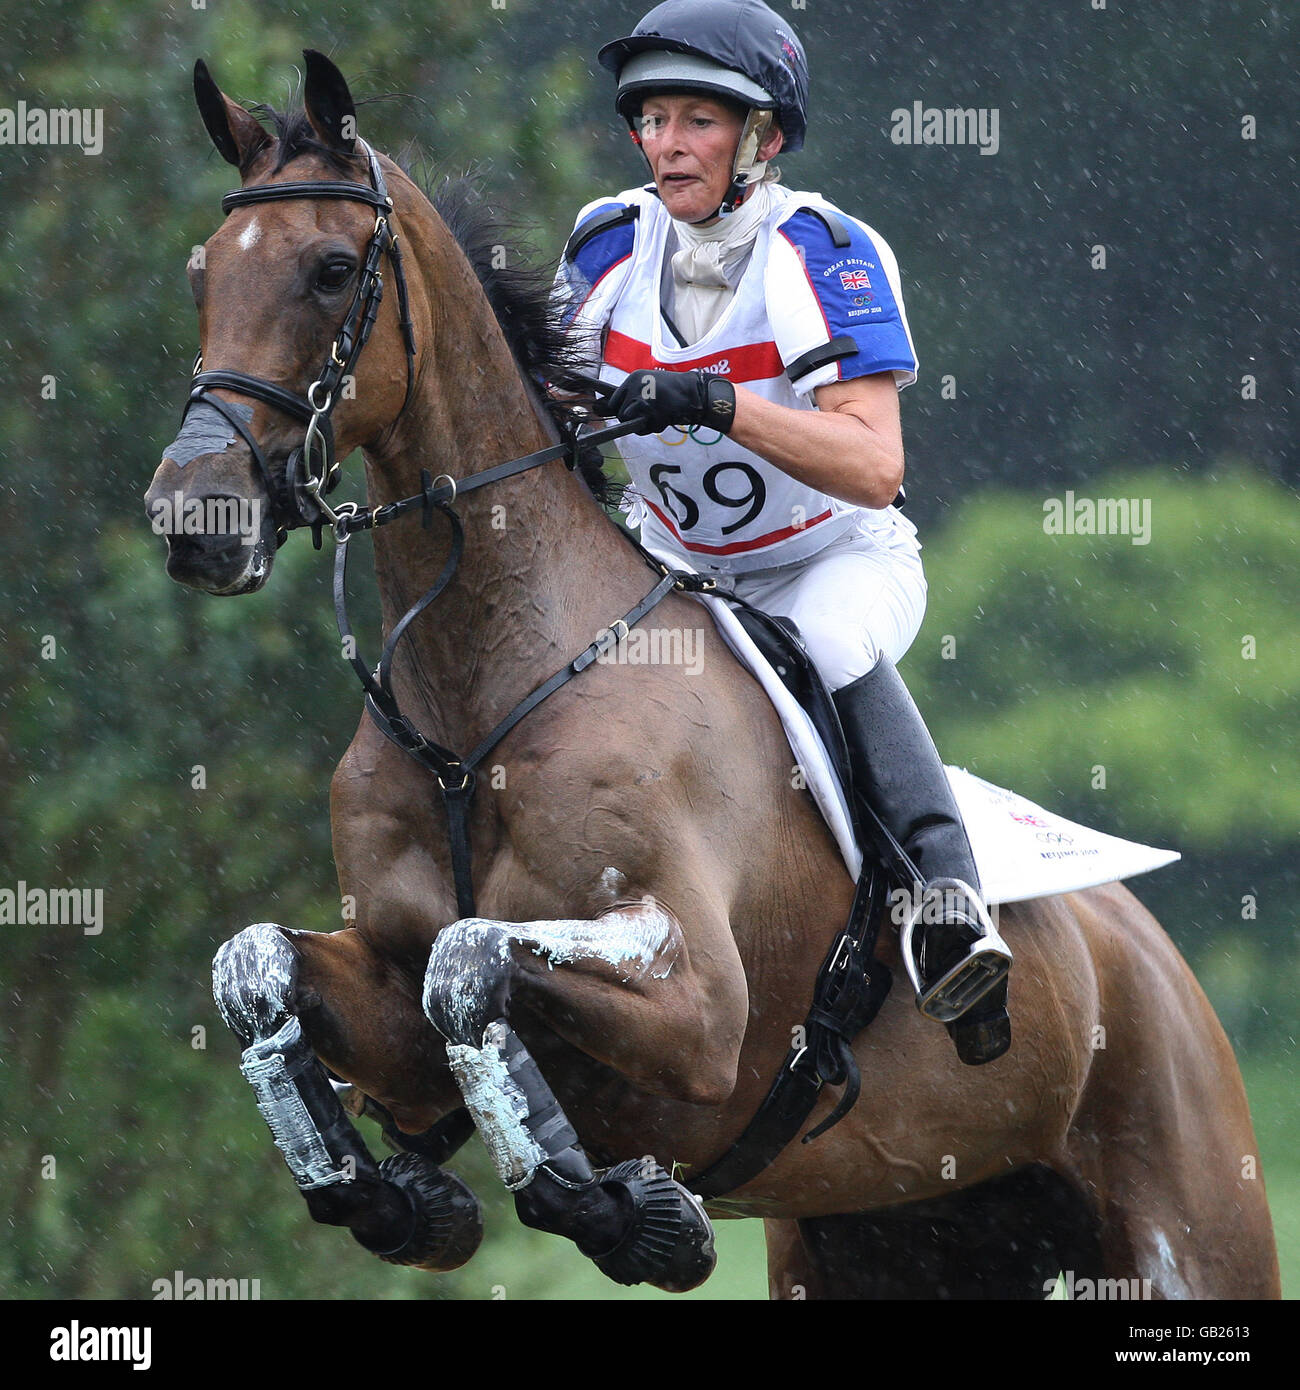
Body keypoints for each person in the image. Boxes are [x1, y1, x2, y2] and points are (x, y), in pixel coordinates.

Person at [555, 0, 1011, 1064]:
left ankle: (946, 902)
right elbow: (553, 409)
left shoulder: (823, 251)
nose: (667, 145)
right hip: (670, 566)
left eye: (697, 121)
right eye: (652, 119)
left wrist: (717, 402)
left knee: (826, 647)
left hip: (829, 560)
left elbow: (874, 465)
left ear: (761, 137)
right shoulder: (606, 241)